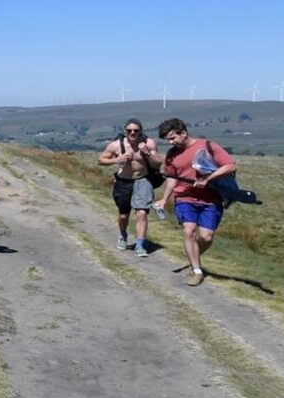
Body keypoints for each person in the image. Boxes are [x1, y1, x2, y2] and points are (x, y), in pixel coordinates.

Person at [156, 118, 236, 287]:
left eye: (173, 138)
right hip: (185, 198)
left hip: (211, 199)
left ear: (183, 133)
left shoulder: (208, 146)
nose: (171, 142)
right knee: (189, 231)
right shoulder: (171, 155)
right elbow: (171, 179)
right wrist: (164, 199)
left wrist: (208, 178)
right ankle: (197, 271)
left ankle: (193, 255)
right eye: (168, 140)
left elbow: (230, 166)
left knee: (206, 238)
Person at [99, 120, 164, 255]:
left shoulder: (149, 144)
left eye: (136, 130)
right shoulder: (116, 145)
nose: (132, 133)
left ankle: (140, 245)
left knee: (141, 213)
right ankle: (123, 235)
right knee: (123, 215)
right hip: (123, 182)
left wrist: (147, 154)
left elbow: (158, 163)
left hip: (143, 180)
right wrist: (117, 160)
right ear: (125, 132)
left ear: (141, 131)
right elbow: (101, 160)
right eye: (129, 130)